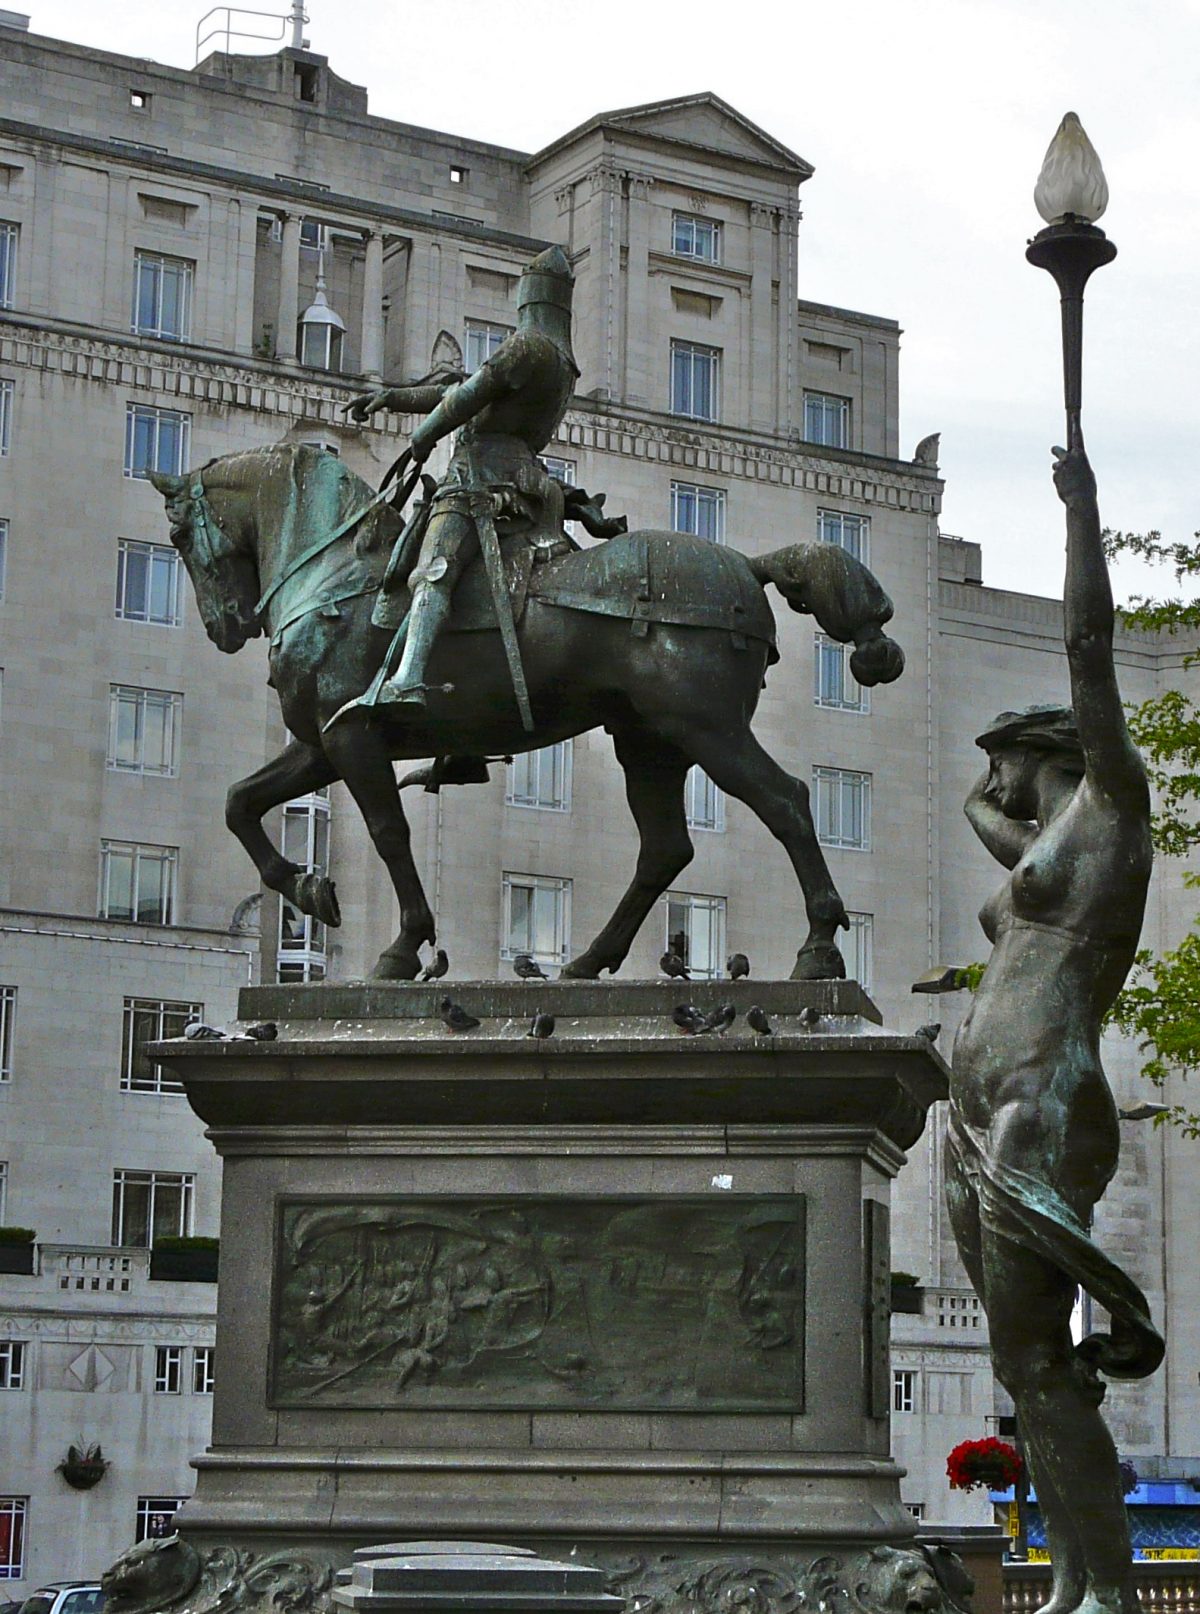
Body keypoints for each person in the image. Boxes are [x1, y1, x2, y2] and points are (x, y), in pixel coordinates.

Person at [948, 442, 1164, 1614]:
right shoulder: (1041, 851)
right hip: (983, 1099)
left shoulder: (1111, 809)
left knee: (1042, 1358)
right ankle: (1078, 1582)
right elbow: (991, 822)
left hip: (1043, 1099)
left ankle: (1112, 1597)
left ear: (1047, 754)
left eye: (1005, 767)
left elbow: (1089, 650)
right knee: (1020, 1362)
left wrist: (1082, 514)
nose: (995, 788)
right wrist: (995, 788)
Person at [344, 244, 579, 707]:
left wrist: (425, 436)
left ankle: (409, 676)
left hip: (483, 480)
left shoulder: (526, 345)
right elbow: (459, 388)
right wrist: (391, 398)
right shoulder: (560, 359)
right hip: (528, 482)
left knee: (434, 571)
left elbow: (467, 395)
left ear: (527, 300)